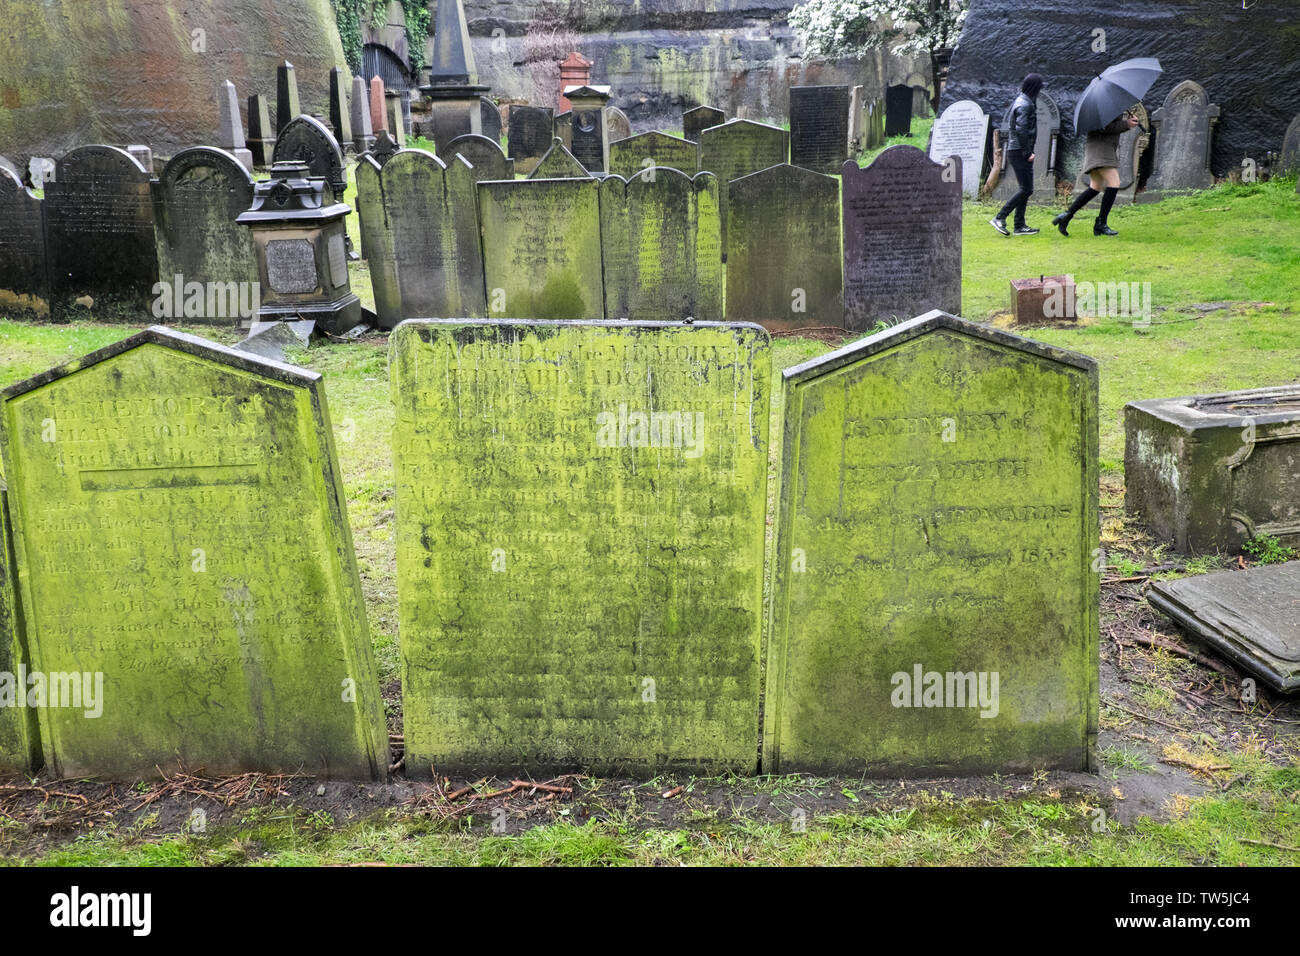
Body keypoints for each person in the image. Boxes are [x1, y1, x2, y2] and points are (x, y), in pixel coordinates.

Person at [1053, 111, 1141, 236]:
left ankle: (1066, 216)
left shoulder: (1108, 105)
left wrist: (1127, 123)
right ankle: (1101, 223)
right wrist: (1126, 124)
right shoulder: (1102, 107)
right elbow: (1105, 127)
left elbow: (1111, 127)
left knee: (1096, 187)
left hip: (1099, 149)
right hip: (1101, 151)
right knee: (1114, 183)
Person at [990, 73, 1045, 237]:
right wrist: (1028, 152)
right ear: (1034, 88)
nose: (1040, 91)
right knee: (1026, 189)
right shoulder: (1024, 104)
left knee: (1025, 188)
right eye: (1039, 88)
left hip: (1018, 150)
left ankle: (1019, 225)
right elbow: (1021, 130)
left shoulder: (1025, 101)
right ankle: (1000, 217)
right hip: (1019, 151)